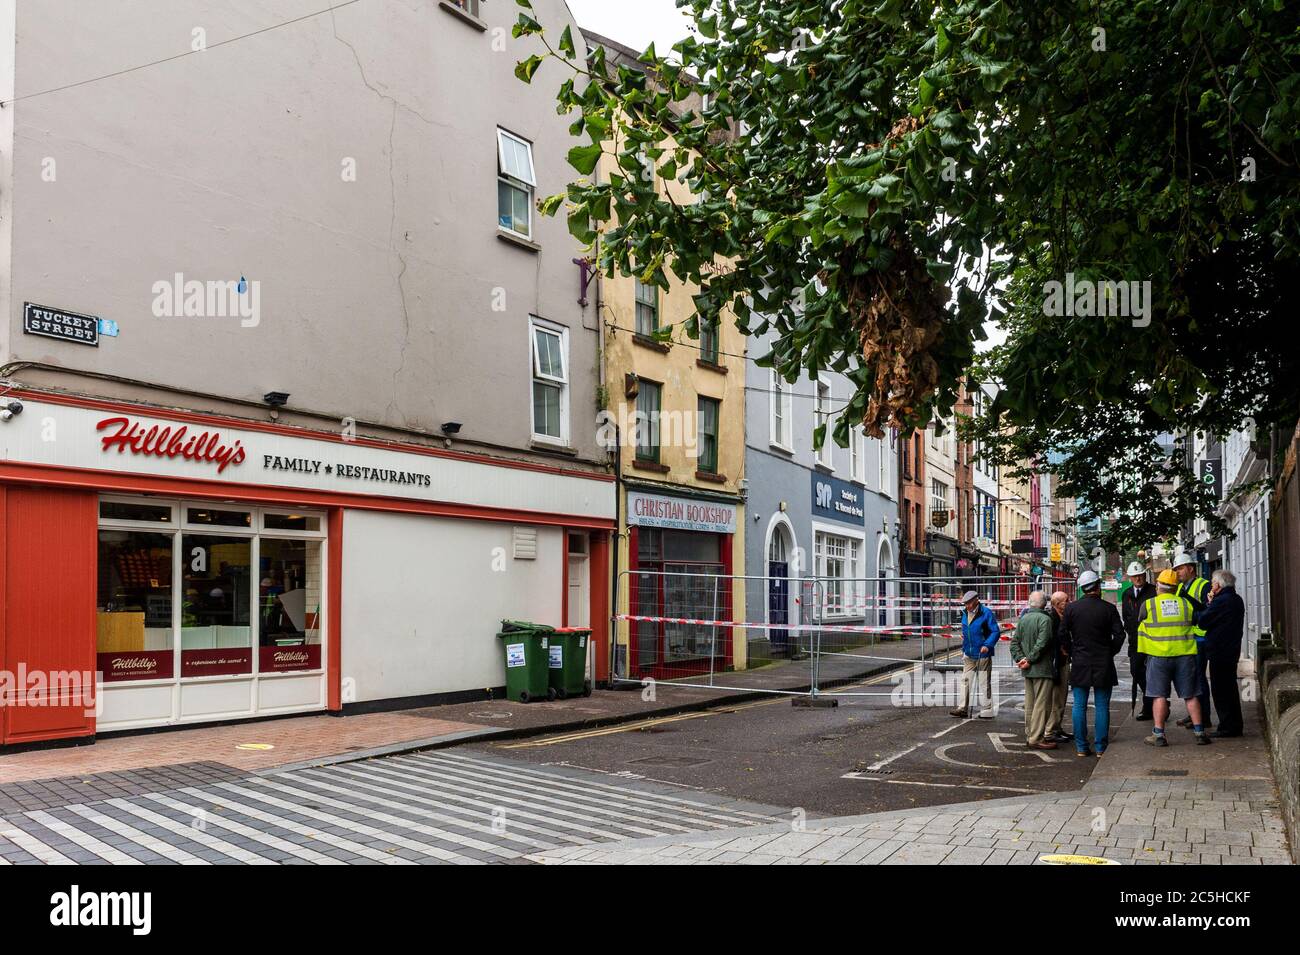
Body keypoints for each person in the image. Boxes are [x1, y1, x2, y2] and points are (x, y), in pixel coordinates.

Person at [1139, 569, 1212, 746]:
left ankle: (1158, 735)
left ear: (1158, 586)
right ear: (1176, 587)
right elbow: (1196, 621)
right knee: (1191, 695)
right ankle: (1200, 732)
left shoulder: (1148, 605)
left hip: (1158, 656)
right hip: (1185, 656)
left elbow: (1140, 621)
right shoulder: (1187, 605)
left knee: (1159, 696)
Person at [1059, 569, 1126, 757]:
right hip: (1103, 662)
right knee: (1102, 705)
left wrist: (1071, 651)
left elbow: (1062, 634)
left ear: (1082, 588)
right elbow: (1120, 635)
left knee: (1079, 705)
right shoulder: (1108, 608)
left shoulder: (1071, 609)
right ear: (1098, 586)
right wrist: (1109, 651)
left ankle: (1081, 747)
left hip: (1080, 661)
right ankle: (1100, 747)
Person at [1196, 569, 1246, 738]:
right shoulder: (1236, 599)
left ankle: (1227, 726)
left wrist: (1209, 603)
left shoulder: (1220, 601)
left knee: (1221, 691)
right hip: (1231, 649)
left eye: (1212, 582)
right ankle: (1234, 724)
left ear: (1218, 584)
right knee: (1230, 688)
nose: (1211, 585)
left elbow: (1203, 621)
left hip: (1219, 651)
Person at [1011, 591, 1058, 749]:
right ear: (1044, 604)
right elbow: (1042, 643)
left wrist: (1021, 659)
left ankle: (1030, 734)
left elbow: (1014, 643)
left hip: (1027, 670)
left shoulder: (1023, 619)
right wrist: (1029, 660)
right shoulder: (1046, 619)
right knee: (1042, 705)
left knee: (1030, 704)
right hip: (1042, 669)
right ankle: (1036, 738)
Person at [1171, 552, 1213, 731]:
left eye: (1179, 569)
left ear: (1190, 568)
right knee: (1192, 679)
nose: (1177, 573)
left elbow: (1206, 611)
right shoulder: (1182, 588)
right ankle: (1195, 714)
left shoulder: (1204, 585)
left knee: (1199, 678)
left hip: (1200, 639)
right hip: (1188, 639)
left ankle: (1204, 718)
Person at [950, 590, 1000, 719]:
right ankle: (962, 708)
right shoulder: (965, 613)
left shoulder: (986, 613)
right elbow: (966, 629)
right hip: (969, 653)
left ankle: (987, 709)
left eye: (969, 603)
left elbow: (995, 631)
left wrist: (987, 645)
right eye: (965, 603)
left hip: (982, 653)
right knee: (965, 681)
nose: (967, 606)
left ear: (976, 601)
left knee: (984, 683)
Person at [1120, 561, 1158, 721]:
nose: (1138, 579)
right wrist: (1130, 631)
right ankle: (1152, 703)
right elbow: (1126, 617)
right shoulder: (1127, 594)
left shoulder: (1153, 592)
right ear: (1130, 578)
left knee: (1153, 674)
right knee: (1136, 672)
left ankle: (1150, 706)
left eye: (1140, 575)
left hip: (1152, 641)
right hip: (1135, 642)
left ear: (1144, 575)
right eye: (1135, 576)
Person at [1045, 591, 1072, 742]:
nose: (1069, 602)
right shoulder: (1052, 619)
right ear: (1057, 605)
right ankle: (1051, 731)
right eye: (1066, 601)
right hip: (1057, 662)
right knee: (1057, 698)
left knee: (1062, 697)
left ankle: (1057, 727)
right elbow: (1051, 640)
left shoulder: (1063, 616)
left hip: (1063, 660)